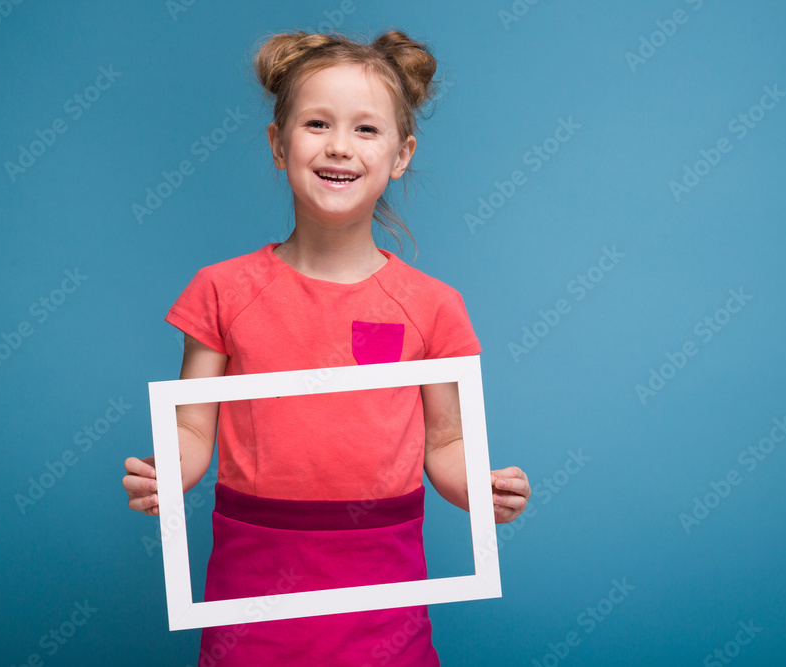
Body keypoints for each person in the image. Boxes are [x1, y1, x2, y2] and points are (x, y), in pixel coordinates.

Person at [122, 28, 530, 665]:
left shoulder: (433, 305)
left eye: (366, 129)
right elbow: (194, 427)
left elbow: (446, 441)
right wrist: (167, 472)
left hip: (382, 581)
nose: (339, 145)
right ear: (277, 144)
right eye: (317, 123)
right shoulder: (221, 290)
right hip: (254, 577)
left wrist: (481, 486)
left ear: (401, 154)